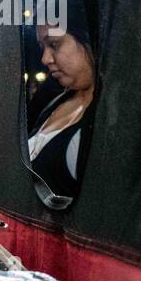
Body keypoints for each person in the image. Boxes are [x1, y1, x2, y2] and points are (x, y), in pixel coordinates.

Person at [28, 19, 96, 197]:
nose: (45, 58)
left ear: (89, 37)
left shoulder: (115, 117)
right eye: (43, 47)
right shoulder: (51, 100)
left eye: (54, 44)